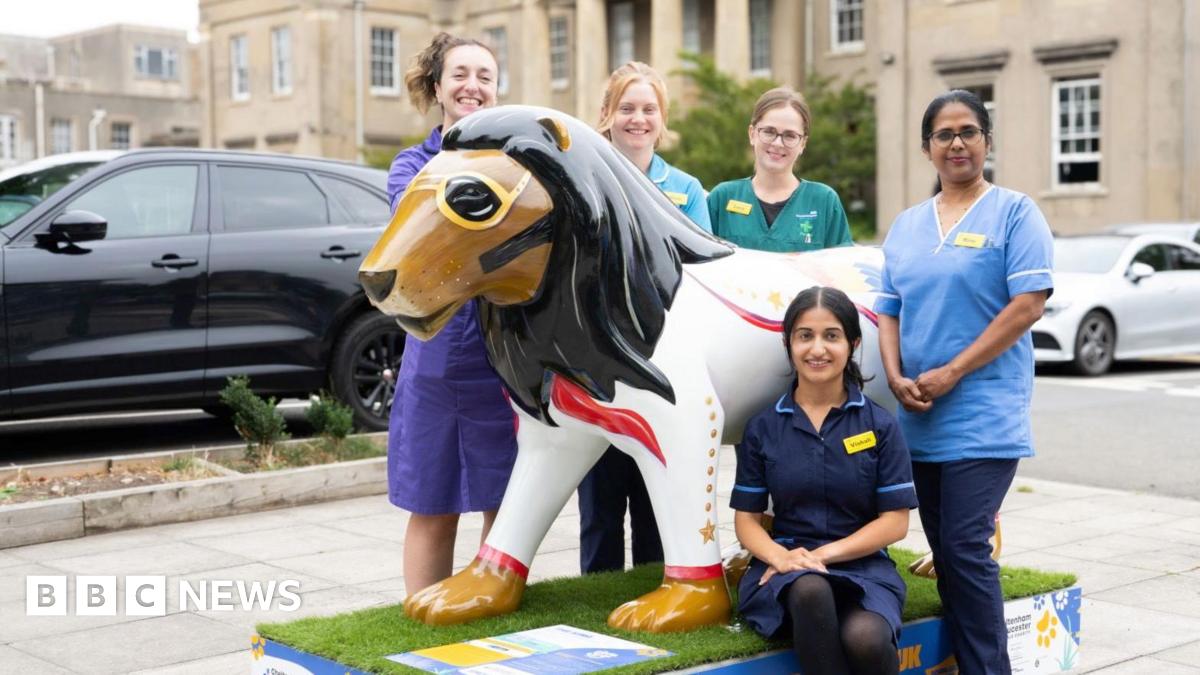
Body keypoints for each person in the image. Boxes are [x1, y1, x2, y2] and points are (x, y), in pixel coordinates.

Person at [874, 89, 1053, 674]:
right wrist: (895, 376)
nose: (957, 143)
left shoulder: (1016, 213)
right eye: (944, 134)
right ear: (927, 147)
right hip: (919, 415)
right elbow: (889, 308)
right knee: (947, 553)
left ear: (987, 141)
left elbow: (1028, 305)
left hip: (984, 411)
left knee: (965, 547)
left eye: (968, 131)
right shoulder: (906, 226)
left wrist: (953, 372)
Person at [385, 32, 516, 597]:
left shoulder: (516, 163)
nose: (473, 86)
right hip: (438, 355)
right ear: (437, 88)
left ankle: (492, 607)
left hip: (508, 358)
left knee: (505, 502)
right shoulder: (411, 166)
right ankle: (424, 613)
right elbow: (428, 227)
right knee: (433, 502)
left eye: (485, 77)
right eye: (460, 74)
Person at [733, 286, 916, 675]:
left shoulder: (880, 425)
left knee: (866, 639)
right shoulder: (763, 427)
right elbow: (746, 520)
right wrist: (782, 558)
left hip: (863, 566)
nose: (817, 349)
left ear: (853, 344)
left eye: (831, 336)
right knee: (810, 588)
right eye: (805, 336)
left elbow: (895, 523)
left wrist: (822, 556)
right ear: (788, 343)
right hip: (786, 567)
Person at [575, 61, 711, 575]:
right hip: (599, 368)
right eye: (627, 108)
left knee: (656, 503)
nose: (638, 119)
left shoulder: (687, 189)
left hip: (661, 368)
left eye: (648, 109)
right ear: (607, 114)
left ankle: (657, 592)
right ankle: (595, 599)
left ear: (662, 118)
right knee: (600, 507)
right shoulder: (581, 179)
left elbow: (700, 275)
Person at [707, 87, 852, 251]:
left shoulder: (824, 201)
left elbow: (842, 262)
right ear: (752, 134)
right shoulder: (722, 198)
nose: (777, 143)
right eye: (769, 132)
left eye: (790, 135)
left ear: (803, 143)